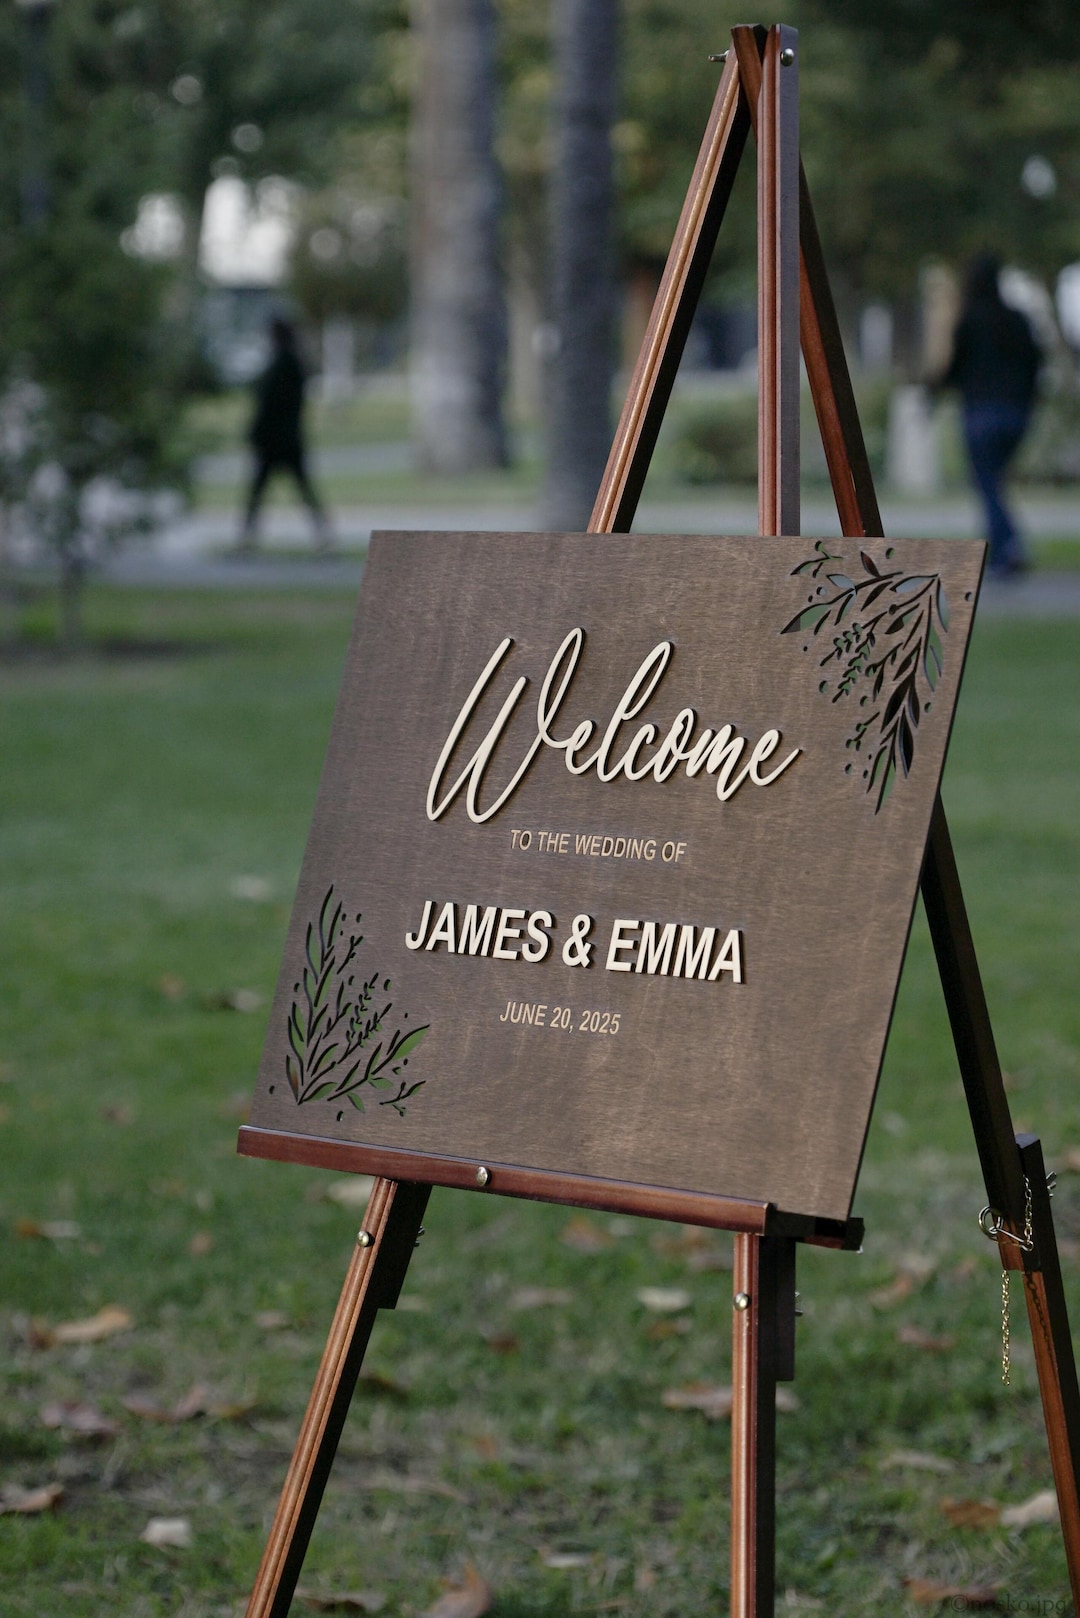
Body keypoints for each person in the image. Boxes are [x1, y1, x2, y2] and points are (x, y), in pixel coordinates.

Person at [939, 255, 1041, 577]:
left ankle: (1008, 546)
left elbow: (955, 368)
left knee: (987, 482)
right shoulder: (1017, 320)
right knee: (994, 482)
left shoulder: (970, 320)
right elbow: (1035, 363)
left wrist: (933, 388)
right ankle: (1002, 547)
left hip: (981, 412)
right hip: (1016, 413)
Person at [239, 316, 332, 553]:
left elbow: (271, 404)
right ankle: (322, 535)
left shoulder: (284, 365)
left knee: (264, 491)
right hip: (286, 438)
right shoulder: (291, 363)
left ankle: (249, 538)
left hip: (278, 440)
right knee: (296, 489)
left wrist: (257, 431)